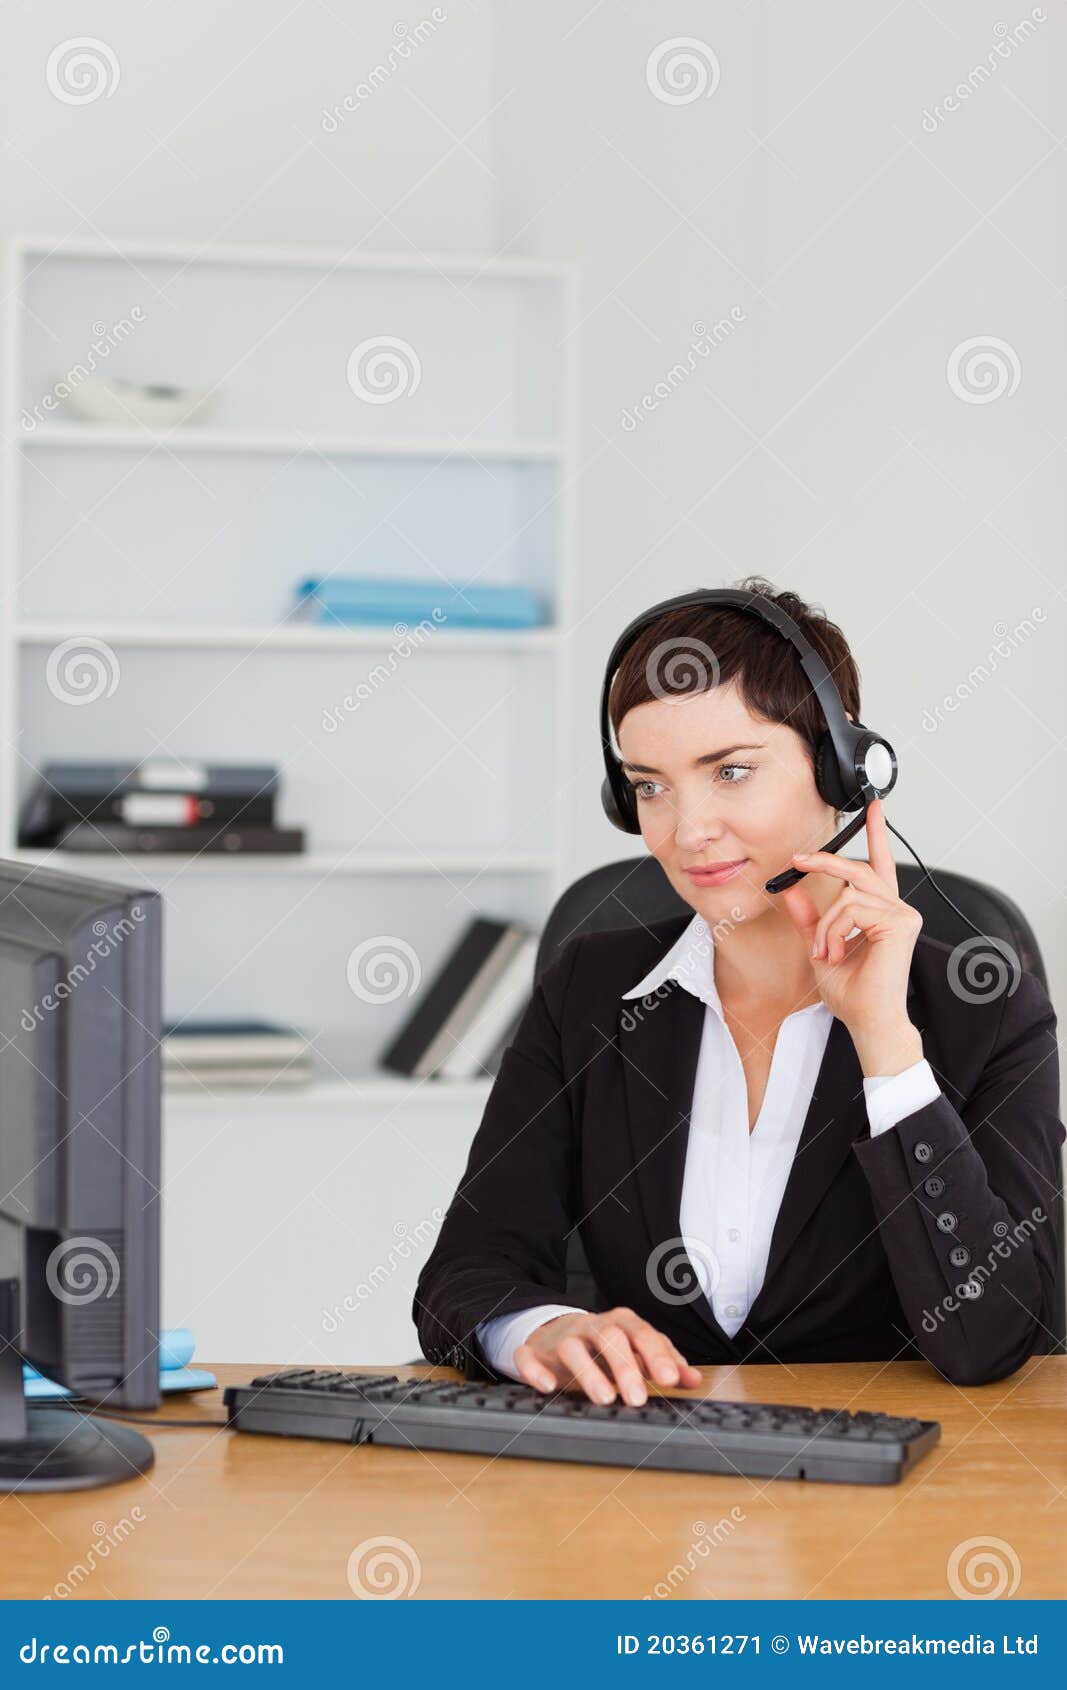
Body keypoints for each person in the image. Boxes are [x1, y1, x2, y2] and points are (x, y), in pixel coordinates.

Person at [413, 578, 1063, 1403]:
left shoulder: (985, 1011)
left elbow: (991, 1337)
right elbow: (468, 1269)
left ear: (843, 771)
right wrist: (540, 1329)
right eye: (649, 785)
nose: (686, 832)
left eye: (729, 772)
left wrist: (885, 1047)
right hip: (634, 1491)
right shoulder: (588, 991)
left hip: (890, 1501)